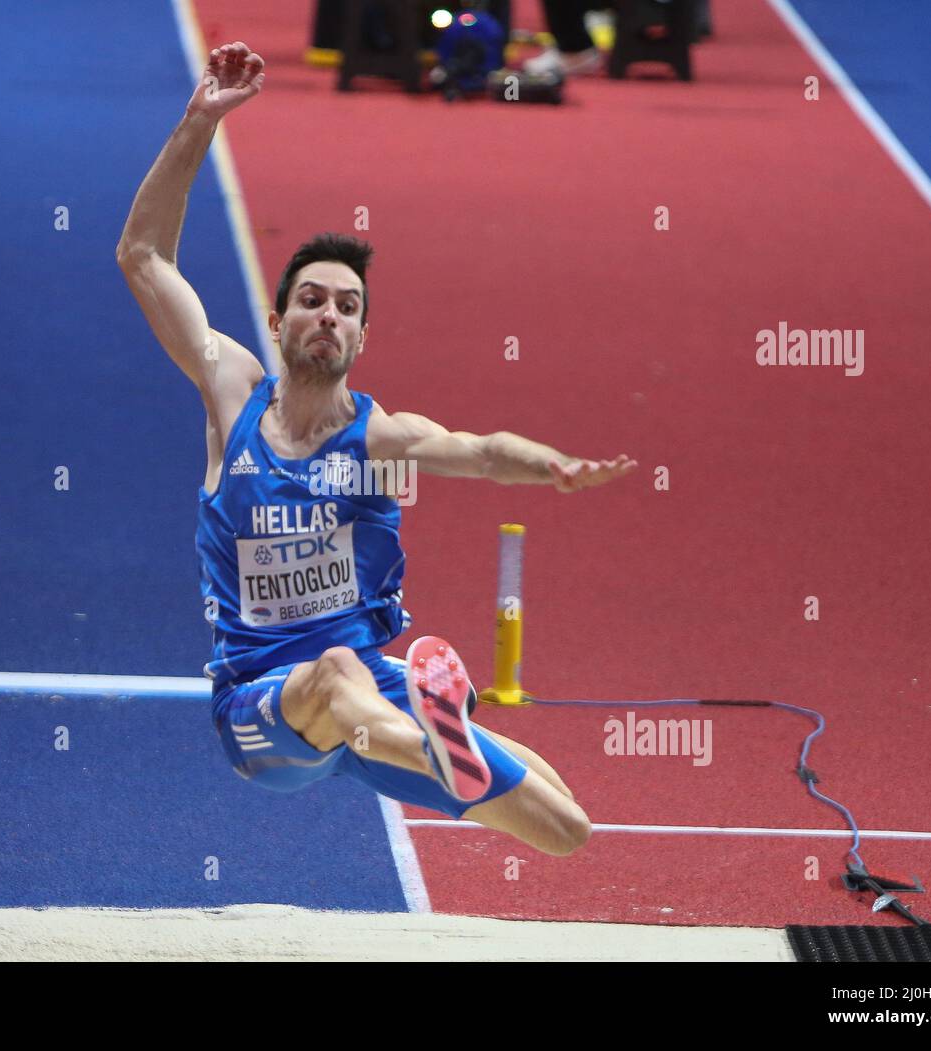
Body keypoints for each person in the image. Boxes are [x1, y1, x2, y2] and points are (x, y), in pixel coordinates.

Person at [116, 42, 637, 857]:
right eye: (312, 300)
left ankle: (438, 738)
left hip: (378, 702)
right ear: (281, 319)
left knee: (567, 830)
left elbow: (481, 449)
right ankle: (441, 739)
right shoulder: (231, 397)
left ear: (363, 334)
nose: (328, 314)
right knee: (336, 674)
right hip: (262, 711)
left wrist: (553, 467)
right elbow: (143, 258)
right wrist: (199, 121)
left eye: (347, 306)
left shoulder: (378, 437)